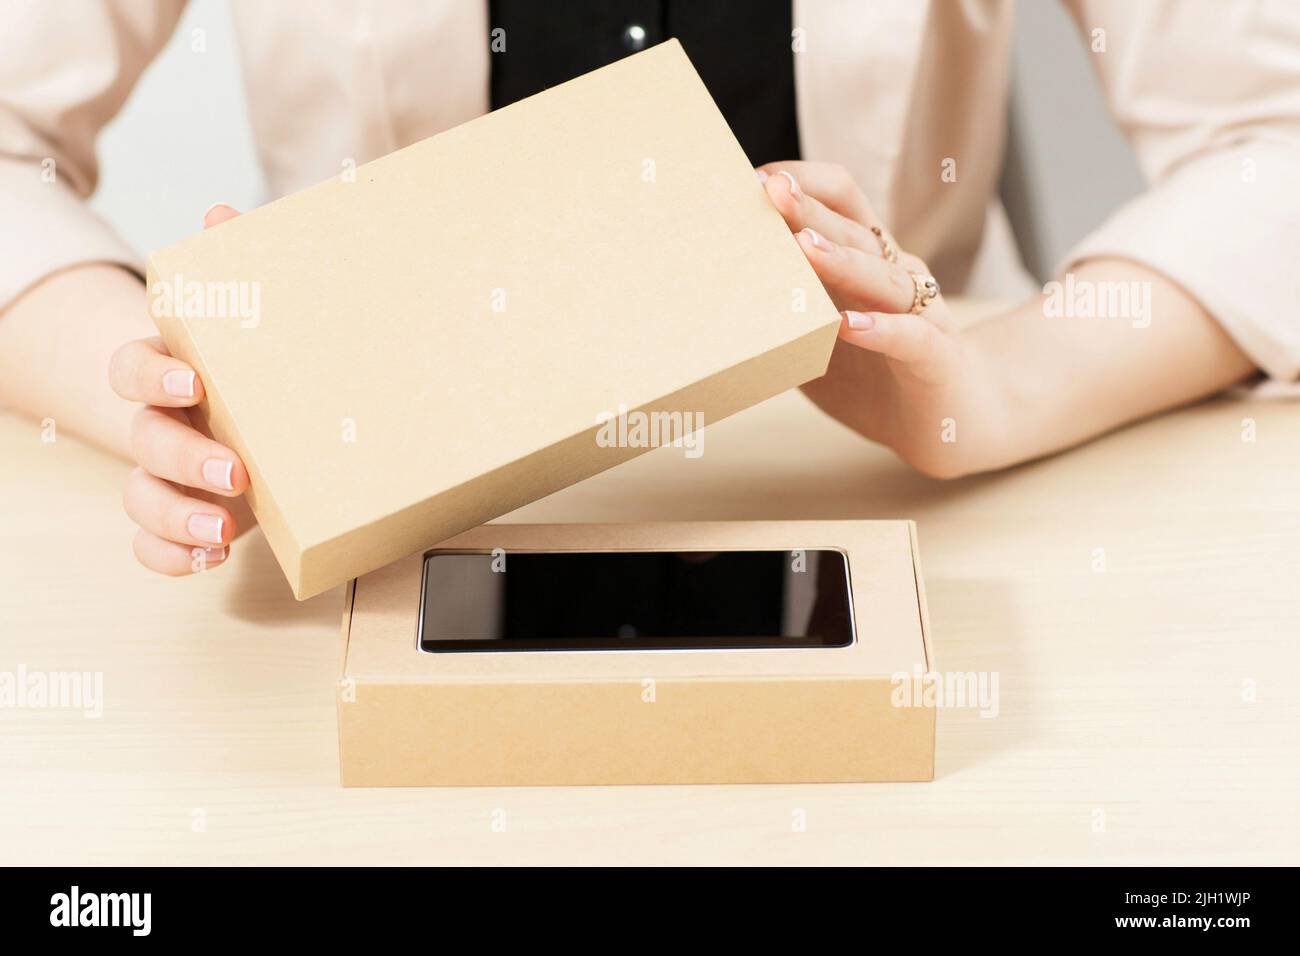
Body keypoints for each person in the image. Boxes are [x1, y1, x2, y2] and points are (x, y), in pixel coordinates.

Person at [1, 1, 1295, 577]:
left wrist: (1000, 387)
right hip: (385, 548)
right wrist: (176, 392)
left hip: (891, 511)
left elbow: (1275, 144)